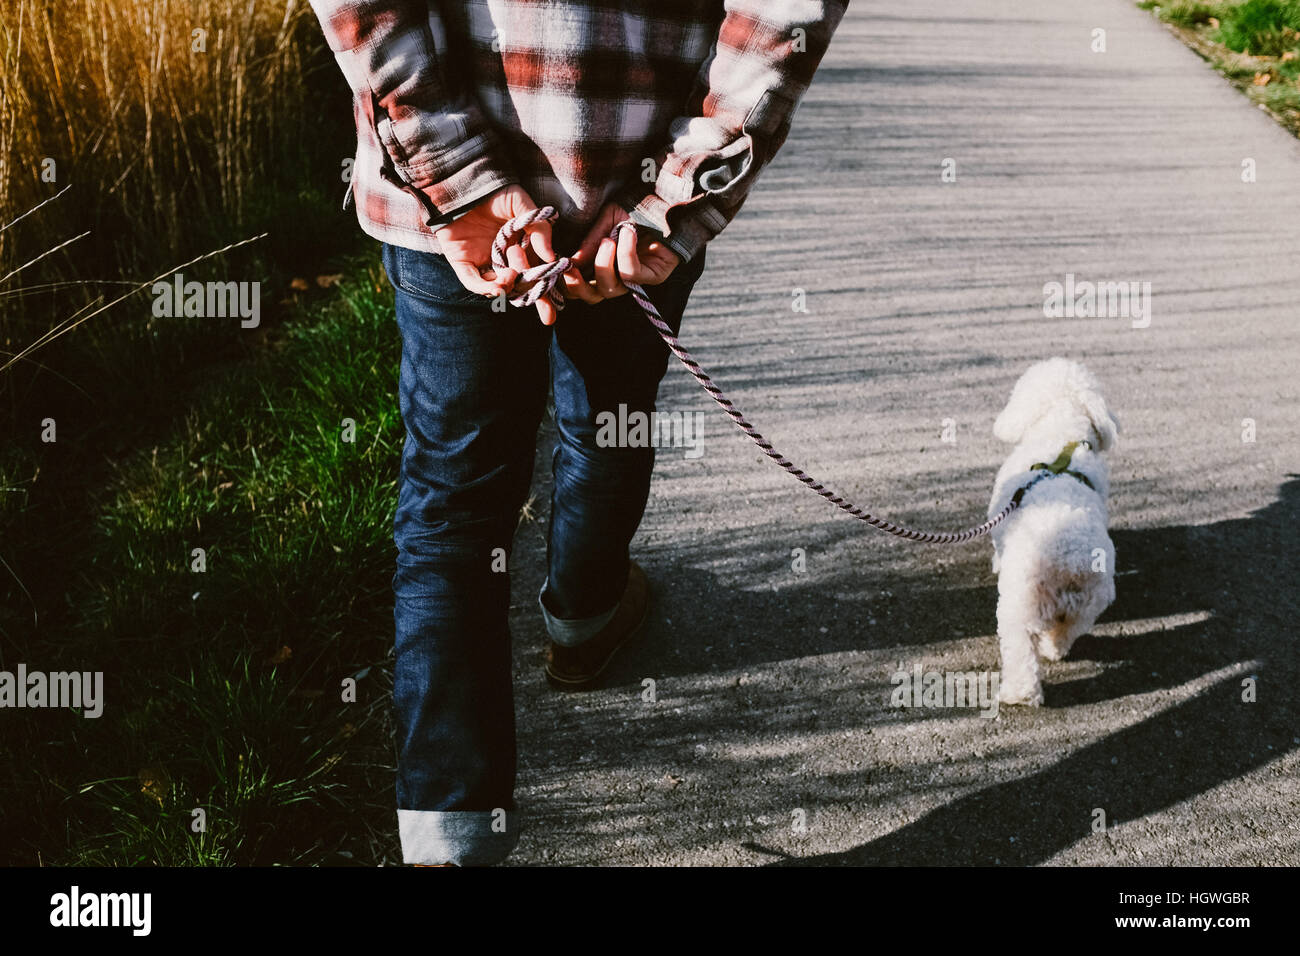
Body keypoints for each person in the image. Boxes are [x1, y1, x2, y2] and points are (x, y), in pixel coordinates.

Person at [308, 0, 848, 866]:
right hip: (627, 193)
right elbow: (783, 15)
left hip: (448, 202)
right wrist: (669, 196)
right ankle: (585, 616)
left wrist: (458, 181)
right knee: (607, 420)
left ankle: (453, 849)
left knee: (456, 502)